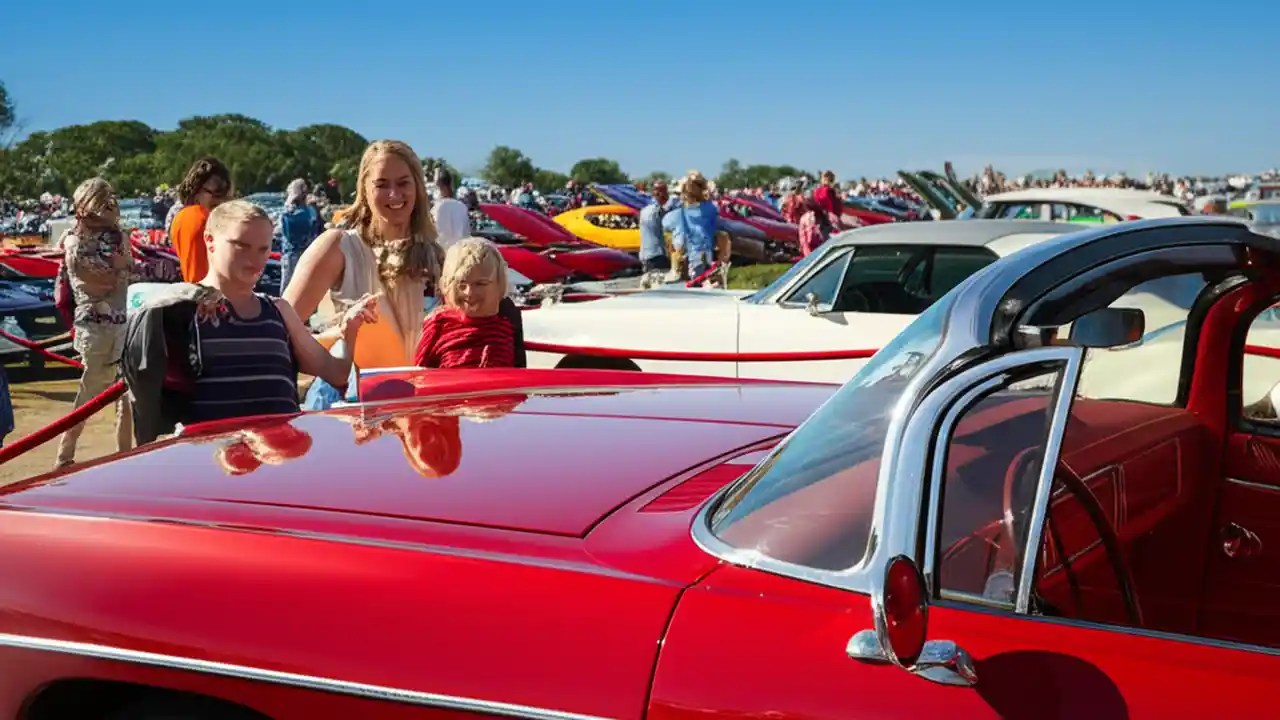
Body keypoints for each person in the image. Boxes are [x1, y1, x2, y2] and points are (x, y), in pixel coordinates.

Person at [182, 200, 379, 424]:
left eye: (263, 249)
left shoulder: (278, 311)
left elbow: (336, 372)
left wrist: (349, 329)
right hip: (210, 453)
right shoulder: (183, 309)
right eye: (241, 246)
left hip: (279, 452)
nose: (255, 259)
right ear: (210, 241)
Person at [283, 140, 444, 407]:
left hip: (418, 411)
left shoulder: (435, 256)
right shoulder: (339, 247)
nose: (394, 194)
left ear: (417, 187)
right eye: (382, 184)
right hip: (351, 411)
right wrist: (330, 358)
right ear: (365, 190)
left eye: (403, 183)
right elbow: (281, 326)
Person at [53, 177, 134, 469]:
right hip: (95, 325)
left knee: (127, 395)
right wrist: (119, 265)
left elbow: (127, 268)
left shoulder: (117, 236)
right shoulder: (74, 239)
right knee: (90, 393)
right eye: (103, 200)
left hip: (123, 320)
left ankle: (125, 455)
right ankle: (65, 454)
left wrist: (120, 265)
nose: (110, 206)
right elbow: (97, 277)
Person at [414, 237, 524, 369]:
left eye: (480, 284)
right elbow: (420, 376)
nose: (469, 293)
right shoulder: (438, 326)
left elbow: (517, 376)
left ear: (499, 285)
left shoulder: (506, 324)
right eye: (462, 284)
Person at [169, 157, 231, 282]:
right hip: (209, 295)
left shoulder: (180, 217)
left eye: (226, 192)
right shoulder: (200, 218)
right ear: (196, 190)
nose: (222, 199)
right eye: (217, 192)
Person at [663, 171, 720, 282]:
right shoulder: (711, 209)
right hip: (706, 254)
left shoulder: (678, 213)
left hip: (689, 257)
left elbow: (665, 224)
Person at [277, 178, 323, 293]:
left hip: (292, 254)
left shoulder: (289, 214)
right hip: (309, 254)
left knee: (288, 290)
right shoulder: (311, 211)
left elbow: (288, 233)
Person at [638, 181, 672, 278]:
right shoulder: (658, 211)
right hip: (658, 255)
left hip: (645, 255)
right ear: (661, 194)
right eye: (666, 193)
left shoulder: (644, 211)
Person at [431, 169, 471, 250]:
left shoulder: (436, 208)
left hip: (440, 256)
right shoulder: (462, 207)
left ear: (440, 186)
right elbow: (466, 235)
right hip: (458, 255)